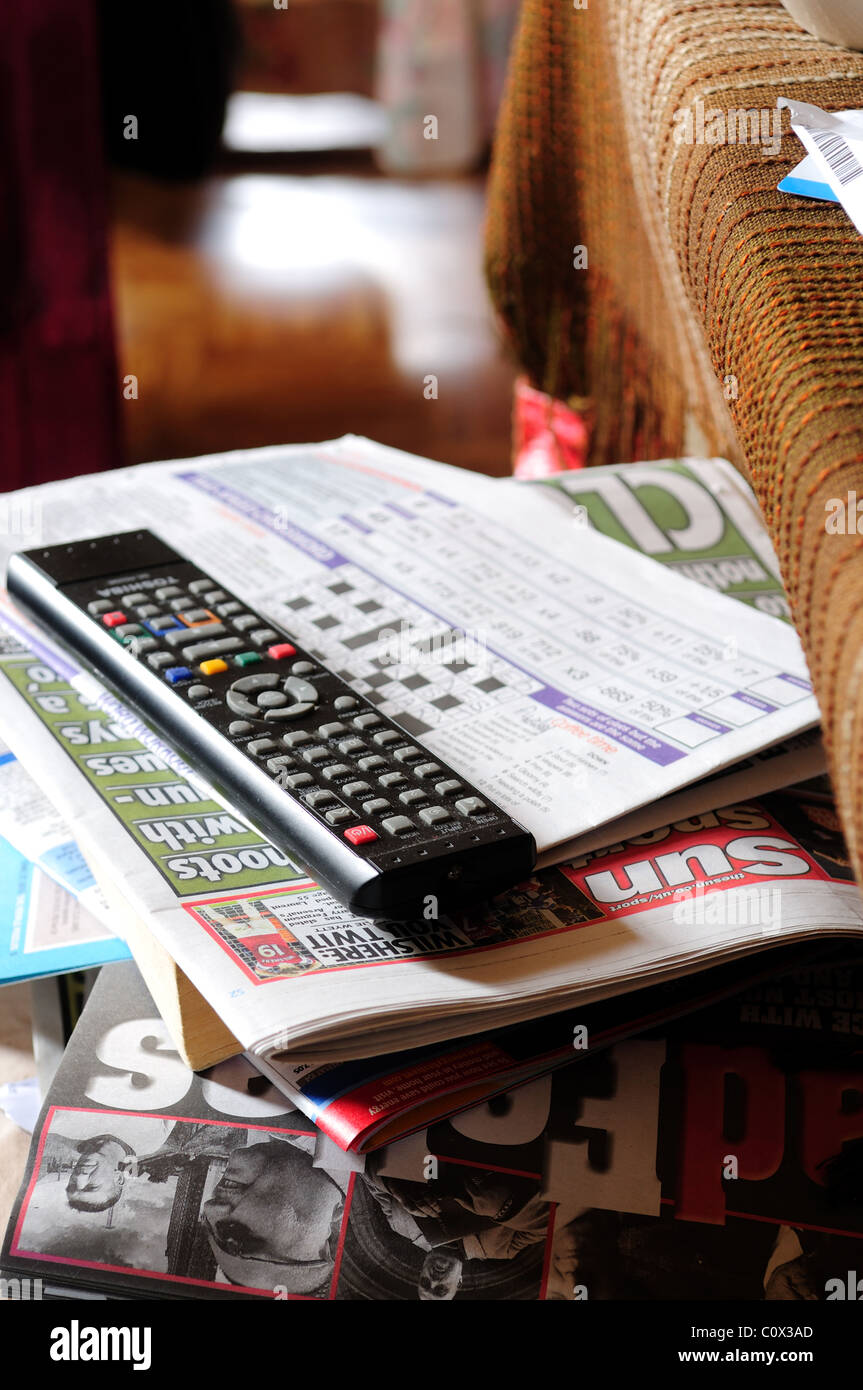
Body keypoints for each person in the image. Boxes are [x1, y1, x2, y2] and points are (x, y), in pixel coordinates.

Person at [40, 1131, 136, 1214]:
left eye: (72, 1186)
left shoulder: (55, 1138)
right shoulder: (139, 1139)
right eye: (91, 1187)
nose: (79, 1176)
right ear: (119, 1178)